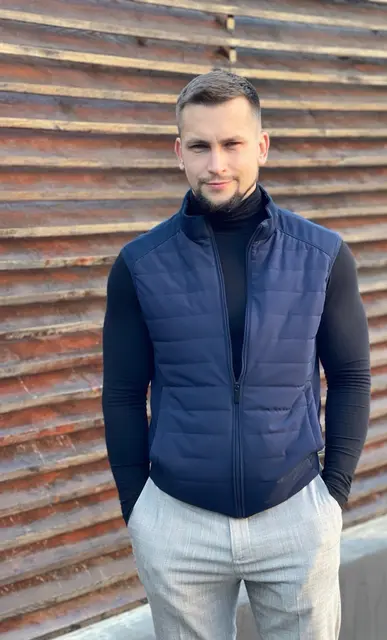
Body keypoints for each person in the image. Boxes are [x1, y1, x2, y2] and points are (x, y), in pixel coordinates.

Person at [102, 69, 371, 640]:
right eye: (200, 146)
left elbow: (350, 377)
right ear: (179, 152)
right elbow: (123, 393)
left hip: (294, 511)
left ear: (262, 146)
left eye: (232, 144)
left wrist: (333, 496)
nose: (216, 164)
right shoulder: (140, 264)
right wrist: (138, 507)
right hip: (177, 521)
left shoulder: (322, 256)